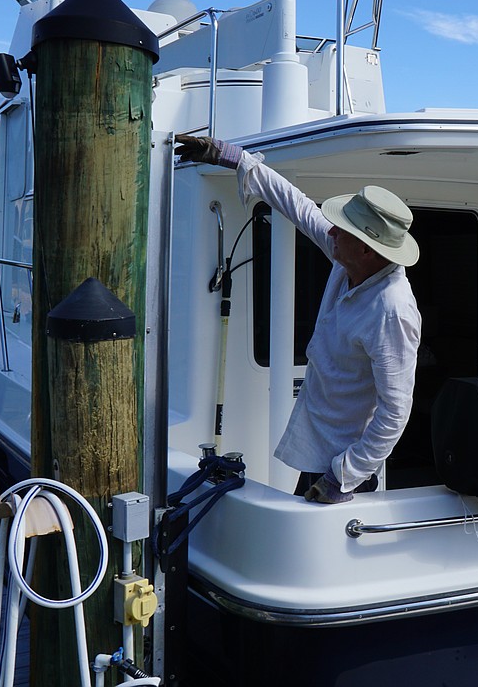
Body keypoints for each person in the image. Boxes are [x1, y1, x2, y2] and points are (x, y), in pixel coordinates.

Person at [175, 135, 422, 504]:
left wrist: (343, 475)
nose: (331, 230)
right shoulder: (349, 259)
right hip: (318, 457)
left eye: (343, 229)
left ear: (368, 250)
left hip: (343, 472)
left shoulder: (392, 309)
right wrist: (234, 158)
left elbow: (395, 413)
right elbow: (300, 208)